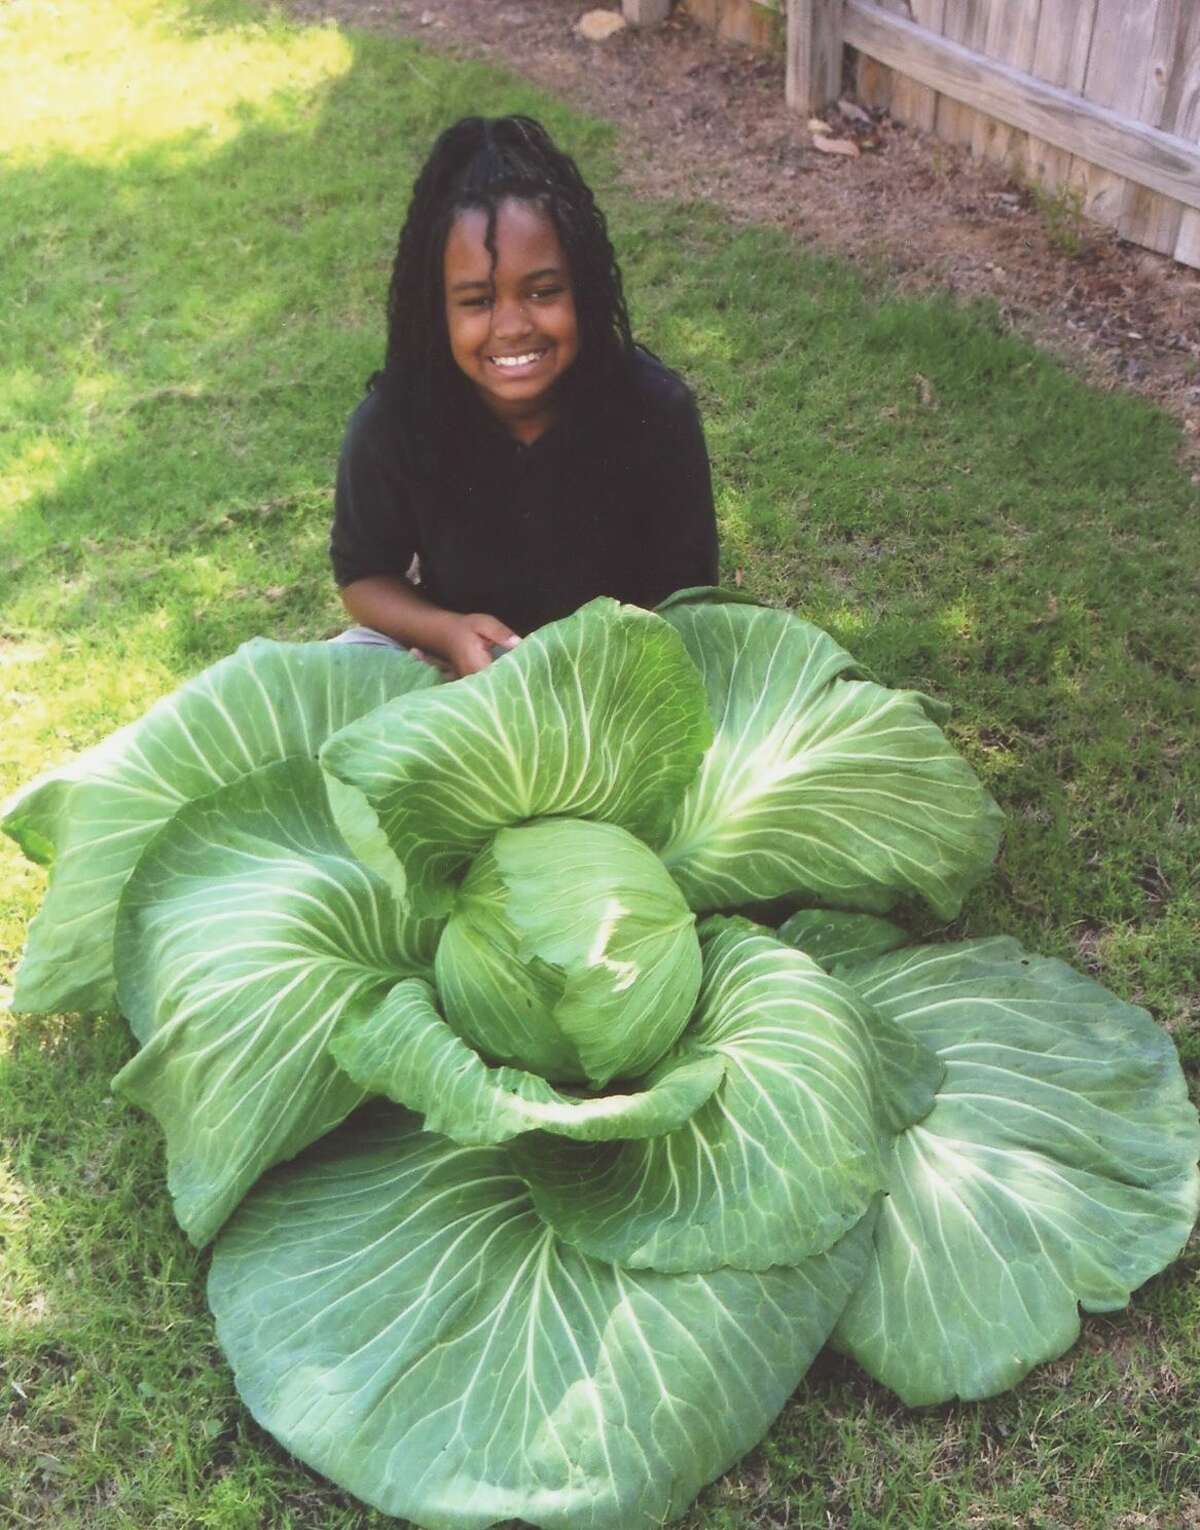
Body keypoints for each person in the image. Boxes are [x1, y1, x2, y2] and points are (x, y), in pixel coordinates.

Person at [330, 114, 719, 678]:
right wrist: (447, 631)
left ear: (583, 288)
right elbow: (363, 578)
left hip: (619, 669)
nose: (511, 325)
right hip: (457, 661)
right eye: (477, 301)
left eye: (542, 292)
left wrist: (592, 669)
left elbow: (689, 600)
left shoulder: (654, 411)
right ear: (435, 310)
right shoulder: (395, 419)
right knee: (338, 672)